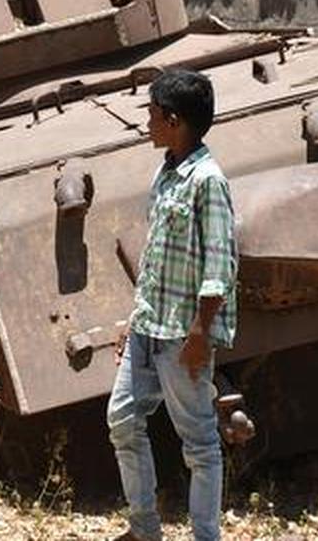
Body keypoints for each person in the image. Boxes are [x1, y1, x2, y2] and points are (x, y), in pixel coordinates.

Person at [107, 69, 237, 541]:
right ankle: (144, 529)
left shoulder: (208, 181)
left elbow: (220, 264)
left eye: (152, 113)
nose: (147, 121)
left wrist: (202, 334)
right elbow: (156, 257)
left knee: (199, 442)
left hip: (183, 333)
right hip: (149, 326)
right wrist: (133, 317)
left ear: (174, 120)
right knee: (122, 419)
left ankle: (205, 535)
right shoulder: (166, 173)